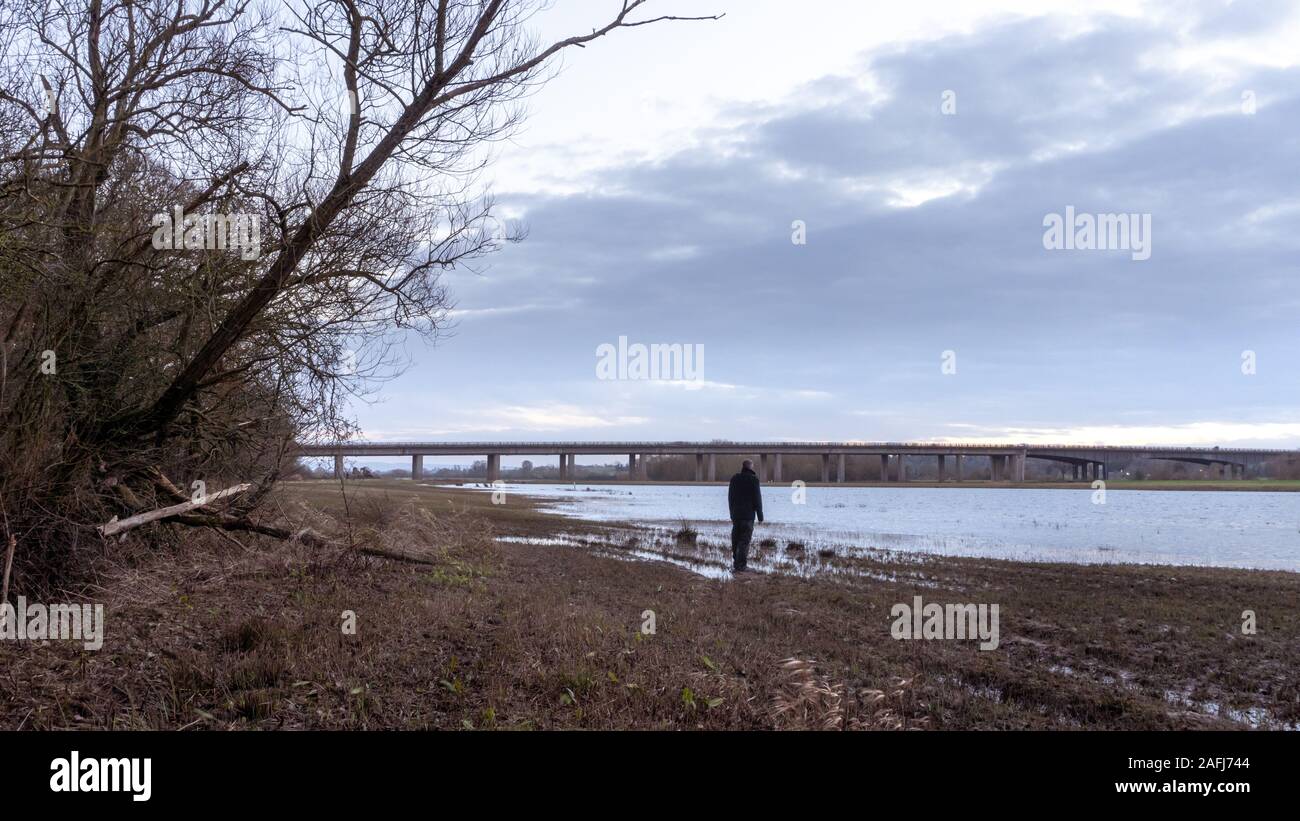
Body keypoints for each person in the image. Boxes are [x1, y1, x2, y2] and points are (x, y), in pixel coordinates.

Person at [727, 459, 763, 573]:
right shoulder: (754, 480)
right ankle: (741, 565)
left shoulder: (734, 479)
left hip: (736, 515)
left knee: (736, 539)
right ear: (751, 467)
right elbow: (757, 498)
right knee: (744, 541)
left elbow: (730, 498)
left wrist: (731, 513)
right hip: (748, 516)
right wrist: (760, 515)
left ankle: (736, 563)